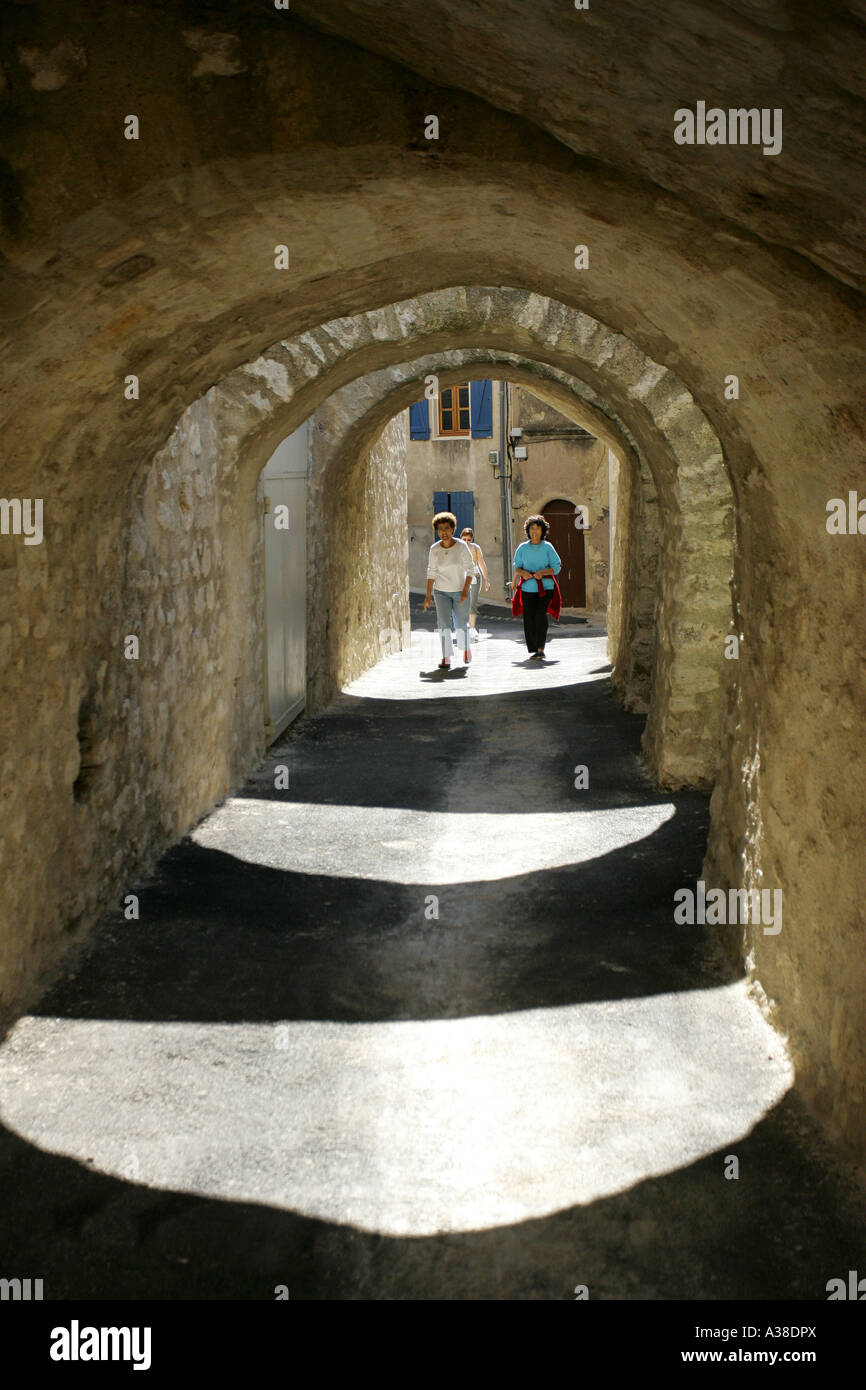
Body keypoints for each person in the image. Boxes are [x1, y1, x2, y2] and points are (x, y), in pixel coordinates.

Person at [423, 511, 475, 668]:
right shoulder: (434, 549)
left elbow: (470, 569)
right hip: (441, 592)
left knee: (461, 624)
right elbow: (431, 571)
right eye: (440, 529)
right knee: (443, 623)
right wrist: (428, 595)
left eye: (446, 528)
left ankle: (465, 647)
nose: (443, 532)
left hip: (460, 591)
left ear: (453, 529)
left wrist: (466, 590)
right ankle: (446, 657)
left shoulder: (461, 547)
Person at [513, 514, 562, 659]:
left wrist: (543, 572)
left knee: (540, 616)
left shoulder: (548, 547)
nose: (534, 531)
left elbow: (557, 567)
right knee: (529, 618)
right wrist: (523, 573)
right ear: (528, 531)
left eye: (537, 528)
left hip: (545, 588)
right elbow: (517, 566)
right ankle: (534, 648)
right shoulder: (522, 548)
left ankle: (540, 648)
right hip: (528, 588)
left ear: (543, 531)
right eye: (532, 528)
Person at [460, 526, 491, 639]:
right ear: (461, 539)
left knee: (472, 604)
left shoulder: (476, 548)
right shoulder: (457, 548)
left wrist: (486, 580)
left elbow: (481, 564)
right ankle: (463, 628)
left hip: (475, 578)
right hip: (461, 579)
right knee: (462, 604)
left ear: (472, 540)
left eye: (469, 539)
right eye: (464, 539)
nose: (467, 542)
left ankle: (472, 629)